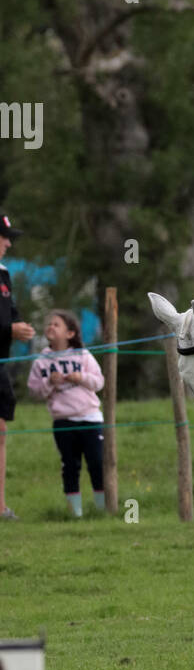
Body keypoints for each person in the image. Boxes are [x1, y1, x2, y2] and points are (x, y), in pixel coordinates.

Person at [27, 309, 105, 518]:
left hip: (90, 418)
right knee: (70, 466)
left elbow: (99, 382)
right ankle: (75, 513)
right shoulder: (41, 361)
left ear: (70, 333)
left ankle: (102, 509)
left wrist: (80, 378)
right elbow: (33, 391)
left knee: (97, 463)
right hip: (63, 422)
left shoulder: (83, 355)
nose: (50, 327)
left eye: (56, 324)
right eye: (49, 324)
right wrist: (48, 383)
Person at [0, 211, 36, 521]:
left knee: (1, 429)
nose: (8, 244)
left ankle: (0, 507)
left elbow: (9, 313)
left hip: (1, 363)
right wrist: (9, 330)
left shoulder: (3, 274)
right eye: (4, 237)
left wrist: (19, 325)